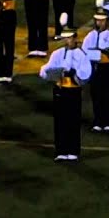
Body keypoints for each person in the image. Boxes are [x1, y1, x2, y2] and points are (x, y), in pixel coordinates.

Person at [39, 16, 92, 162]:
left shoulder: (82, 55)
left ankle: (73, 150)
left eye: (69, 38)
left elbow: (86, 74)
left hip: (73, 90)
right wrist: (50, 72)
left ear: (75, 38)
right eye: (65, 38)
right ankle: (61, 150)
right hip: (60, 90)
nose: (67, 41)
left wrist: (74, 72)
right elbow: (45, 70)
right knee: (60, 121)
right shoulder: (57, 54)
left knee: (73, 120)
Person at [83, 0, 109, 133]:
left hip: (107, 68)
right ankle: (97, 121)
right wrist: (97, 52)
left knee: (107, 95)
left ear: (107, 20)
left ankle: (107, 122)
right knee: (96, 94)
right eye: (97, 20)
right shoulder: (90, 36)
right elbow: (84, 51)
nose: (99, 23)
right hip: (95, 68)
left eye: (102, 20)